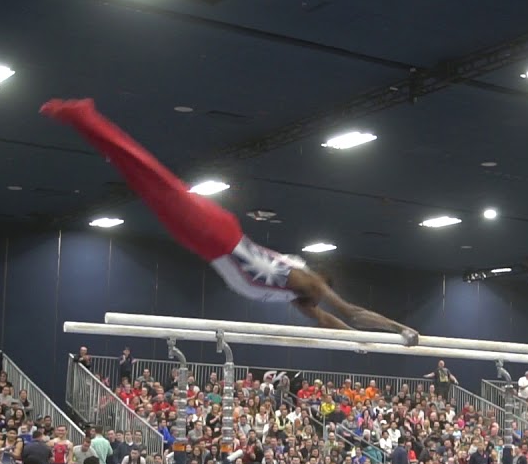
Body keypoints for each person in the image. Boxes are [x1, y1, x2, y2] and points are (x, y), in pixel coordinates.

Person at [39, 98, 418, 344]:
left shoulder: (301, 298)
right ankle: (84, 116)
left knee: (144, 184)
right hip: (220, 235)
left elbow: (327, 322)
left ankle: (91, 128)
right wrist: (397, 329)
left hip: (207, 244)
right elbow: (350, 312)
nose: (320, 303)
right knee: (154, 179)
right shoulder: (308, 281)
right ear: (321, 282)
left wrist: (357, 342)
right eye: (322, 295)